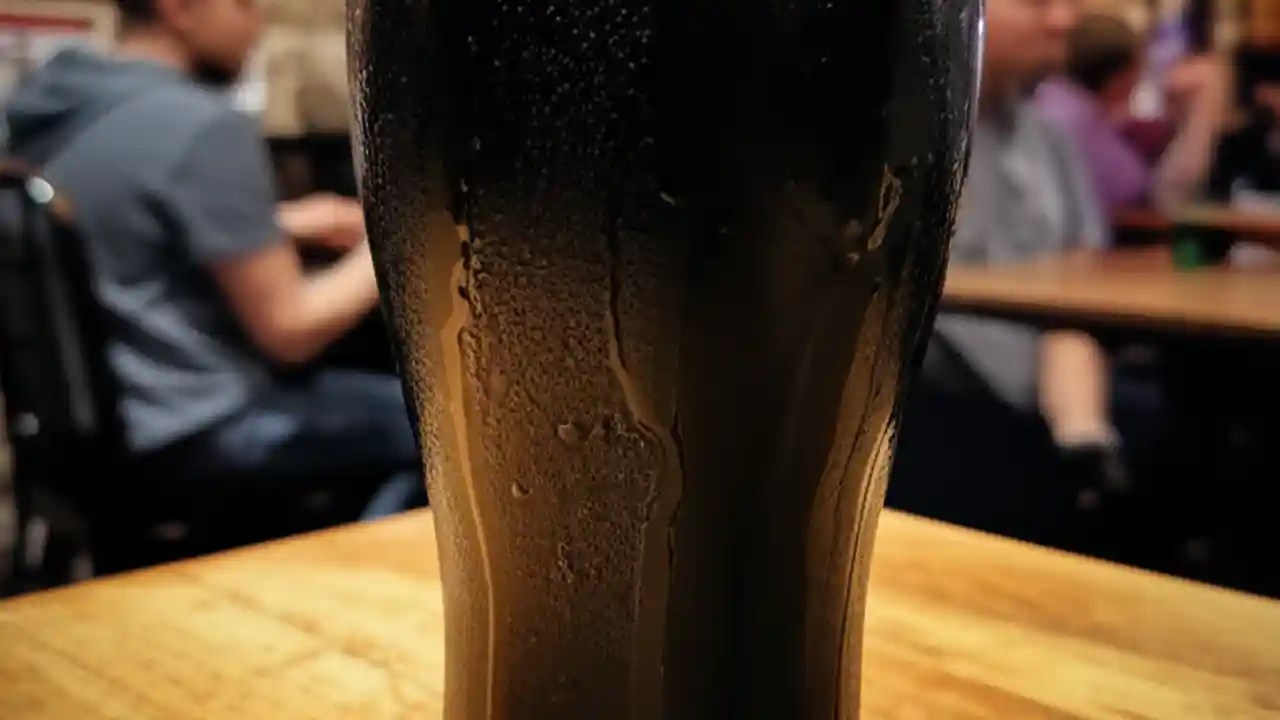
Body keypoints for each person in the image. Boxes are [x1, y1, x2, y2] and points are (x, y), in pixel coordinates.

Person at [2, 0, 423, 519]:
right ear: (178, 8)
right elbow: (291, 331)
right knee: (435, 424)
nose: (257, 23)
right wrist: (399, 240)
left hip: (97, 434)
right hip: (201, 428)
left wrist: (276, 224)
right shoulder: (198, 123)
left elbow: (117, 227)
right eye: (243, 3)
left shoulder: (48, 112)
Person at [891, 0, 1138, 548]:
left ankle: (1087, 448)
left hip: (1054, 345)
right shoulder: (894, 129)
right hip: (947, 376)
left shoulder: (1049, 137)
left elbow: (1084, 262)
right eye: (1037, 2)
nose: (1065, 20)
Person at [1035, 12, 1228, 212]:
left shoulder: (1051, 99)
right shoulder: (1077, 123)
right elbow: (1159, 198)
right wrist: (1206, 101)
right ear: (1122, 78)